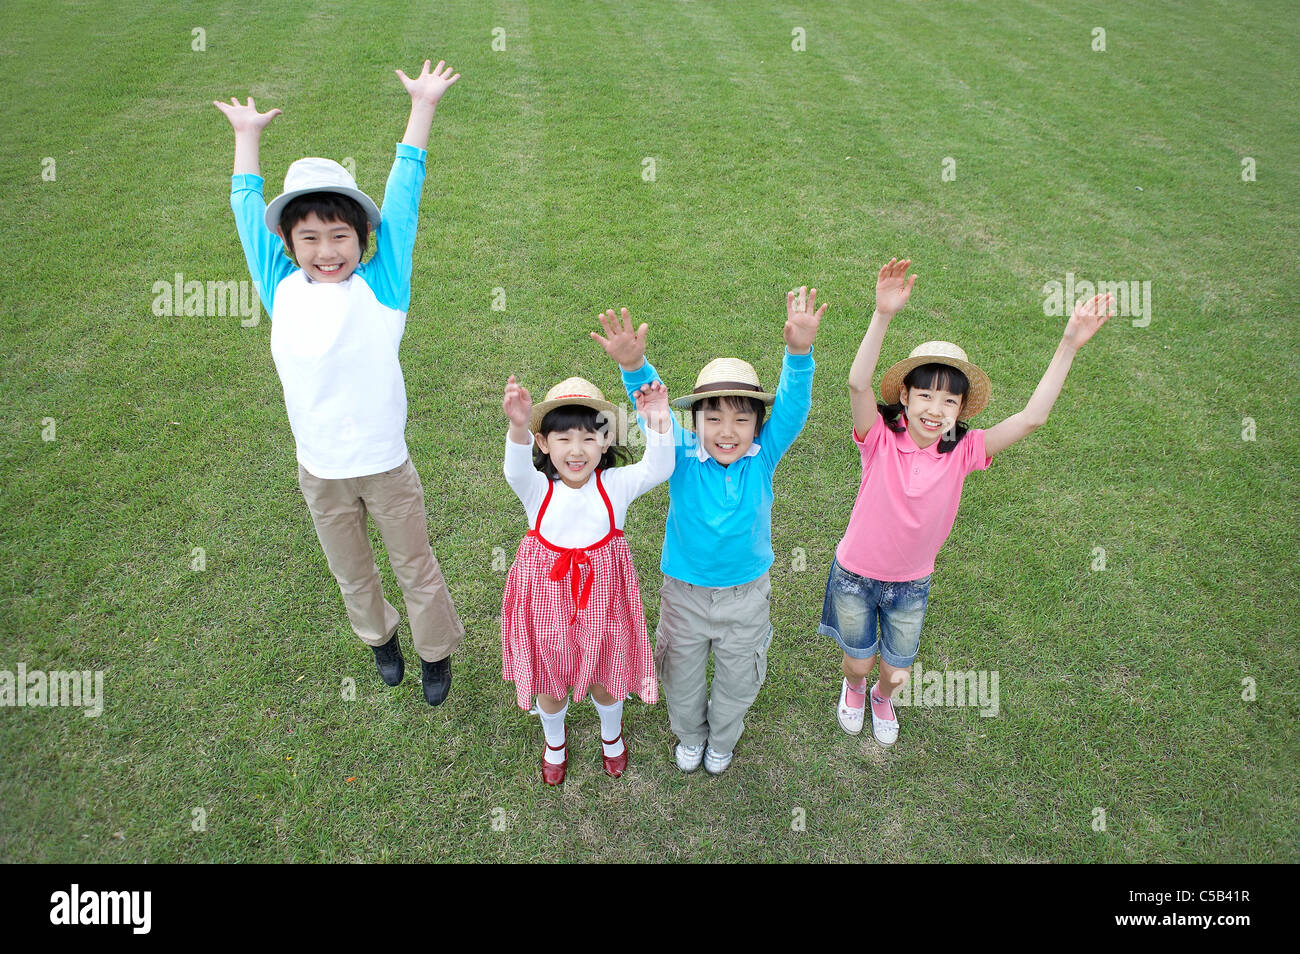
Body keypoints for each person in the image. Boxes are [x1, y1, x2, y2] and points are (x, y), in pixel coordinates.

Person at [214, 60, 465, 705]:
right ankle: (380, 639)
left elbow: (404, 196)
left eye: (339, 236)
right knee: (352, 571)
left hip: (385, 465)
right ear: (289, 246)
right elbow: (248, 212)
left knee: (416, 568)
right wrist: (247, 138)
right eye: (309, 239)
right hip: (319, 468)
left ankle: (435, 652)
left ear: (363, 240)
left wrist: (423, 109)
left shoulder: (383, 289)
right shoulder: (279, 287)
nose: (326, 251)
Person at [826, 257, 1113, 745]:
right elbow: (857, 384)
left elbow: (1031, 419)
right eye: (925, 397)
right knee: (858, 659)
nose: (935, 410)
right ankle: (854, 688)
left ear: (961, 411)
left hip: (912, 583)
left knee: (896, 673)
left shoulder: (965, 452)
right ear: (905, 398)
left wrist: (1067, 345)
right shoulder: (877, 438)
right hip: (854, 572)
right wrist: (882, 315)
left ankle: (881, 697)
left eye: (949, 402)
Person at [592, 288, 826, 774]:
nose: (727, 430)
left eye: (742, 419)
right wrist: (634, 367)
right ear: (694, 421)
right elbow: (652, 411)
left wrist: (799, 353)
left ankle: (722, 739)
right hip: (685, 595)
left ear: (758, 426)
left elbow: (793, 407)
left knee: (739, 679)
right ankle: (690, 736)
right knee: (680, 677)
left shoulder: (764, 456)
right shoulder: (678, 453)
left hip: (746, 597)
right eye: (713, 417)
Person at [500, 374, 674, 785]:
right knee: (550, 677)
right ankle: (554, 743)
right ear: (543, 444)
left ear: (606, 441)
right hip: (546, 604)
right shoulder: (536, 488)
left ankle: (611, 737)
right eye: (563, 439)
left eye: (589, 438)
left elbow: (659, 467)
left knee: (604, 673)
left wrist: (659, 421)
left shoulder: (615, 485)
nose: (576, 450)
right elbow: (514, 469)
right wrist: (518, 427)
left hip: (604, 601)